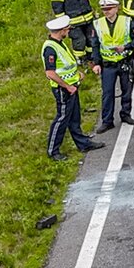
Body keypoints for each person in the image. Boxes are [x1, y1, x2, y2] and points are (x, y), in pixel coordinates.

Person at [43, 15, 103, 161]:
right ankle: (53, 151)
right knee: (62, 119)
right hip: (63, 89)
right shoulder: (50, 48)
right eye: (67, 29)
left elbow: (65, 66)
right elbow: (50, 73)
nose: (69, 31)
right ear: (60, 30)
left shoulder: (59, 43)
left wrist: (76, 75)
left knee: (74, 117)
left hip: (71, 87)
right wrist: (67, 86)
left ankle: (82, 143)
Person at [91, 0, 134, 133]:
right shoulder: (97, 24)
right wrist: (96, 63)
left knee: (127, 90)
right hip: (108, 65)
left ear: (116, 8)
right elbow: (95, 45)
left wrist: (125, 47)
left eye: (109, 9)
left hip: (124, 62)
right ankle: (107, 121)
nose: (107, 12)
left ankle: (125, 115)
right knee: (107, 94)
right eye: (104, 10)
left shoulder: (127, 22)